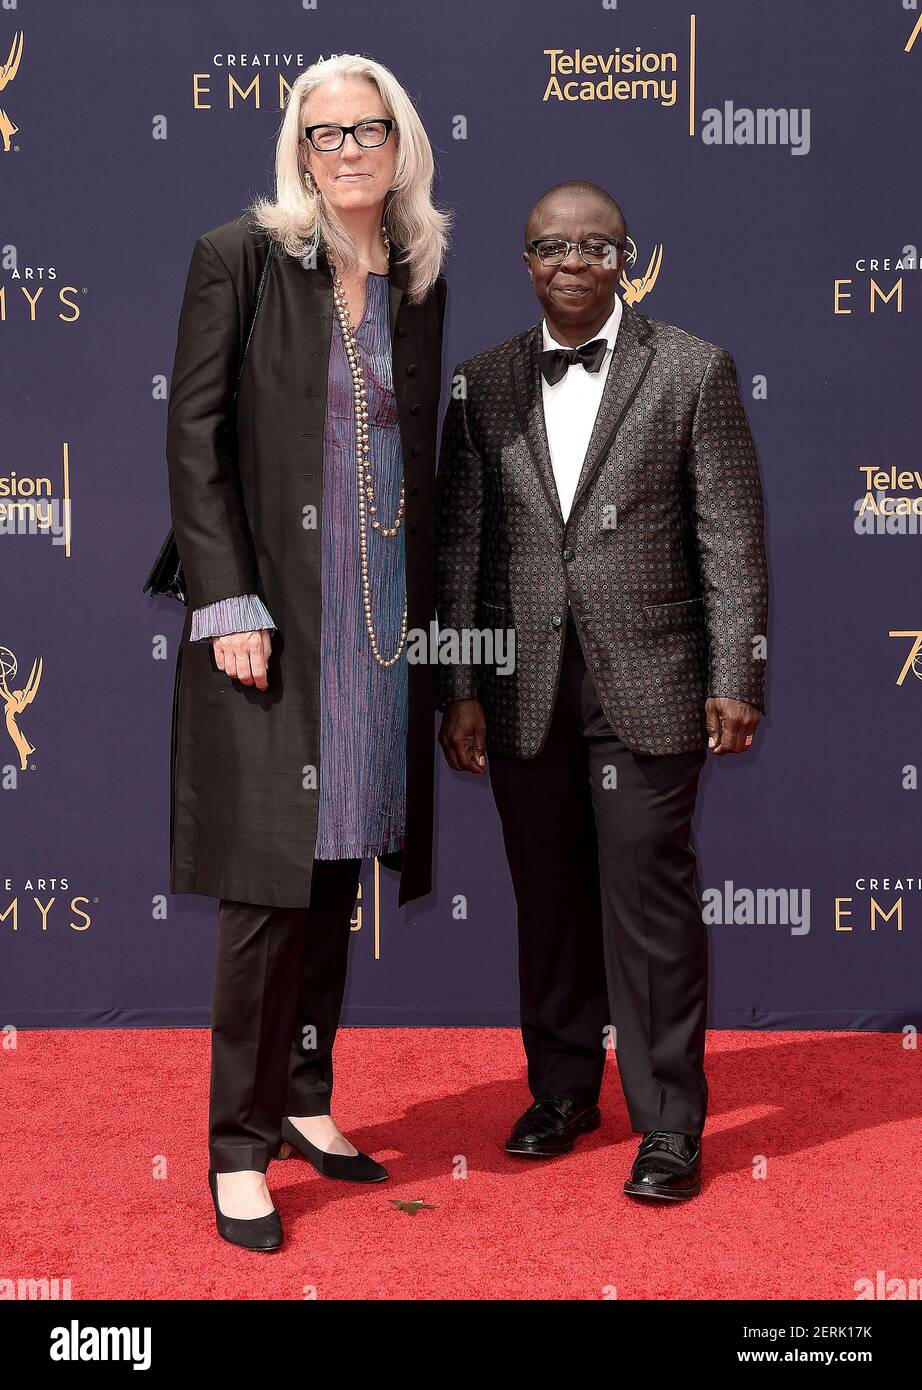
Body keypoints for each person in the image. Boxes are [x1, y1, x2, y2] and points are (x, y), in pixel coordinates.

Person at [164, 54, 449, 1249]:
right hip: (275, 609)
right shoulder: (242, 254)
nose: (345, 151)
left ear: (401, 147)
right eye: (323, 131)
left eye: (367, 130)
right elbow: (195, 432)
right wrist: (226, 604)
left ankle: (303, 1097)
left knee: (339, 875)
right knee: (270, 890)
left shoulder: (420, 271)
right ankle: (236, 1147)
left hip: (378, 610)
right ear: (296, 145)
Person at [435, 181, 767, 1202]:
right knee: (549, 899)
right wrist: (459, 682)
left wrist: (734, 671)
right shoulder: (481, 381)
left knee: (648, 900)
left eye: (594, 245)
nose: (572, 261)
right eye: (551, 246)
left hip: (653, 680)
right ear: (525, 262)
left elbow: (730, 536)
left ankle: (669, 1122)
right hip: (521, 681)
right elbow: (461, 548)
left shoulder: (692, 368)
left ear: (626, 257)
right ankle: (564, 1088)